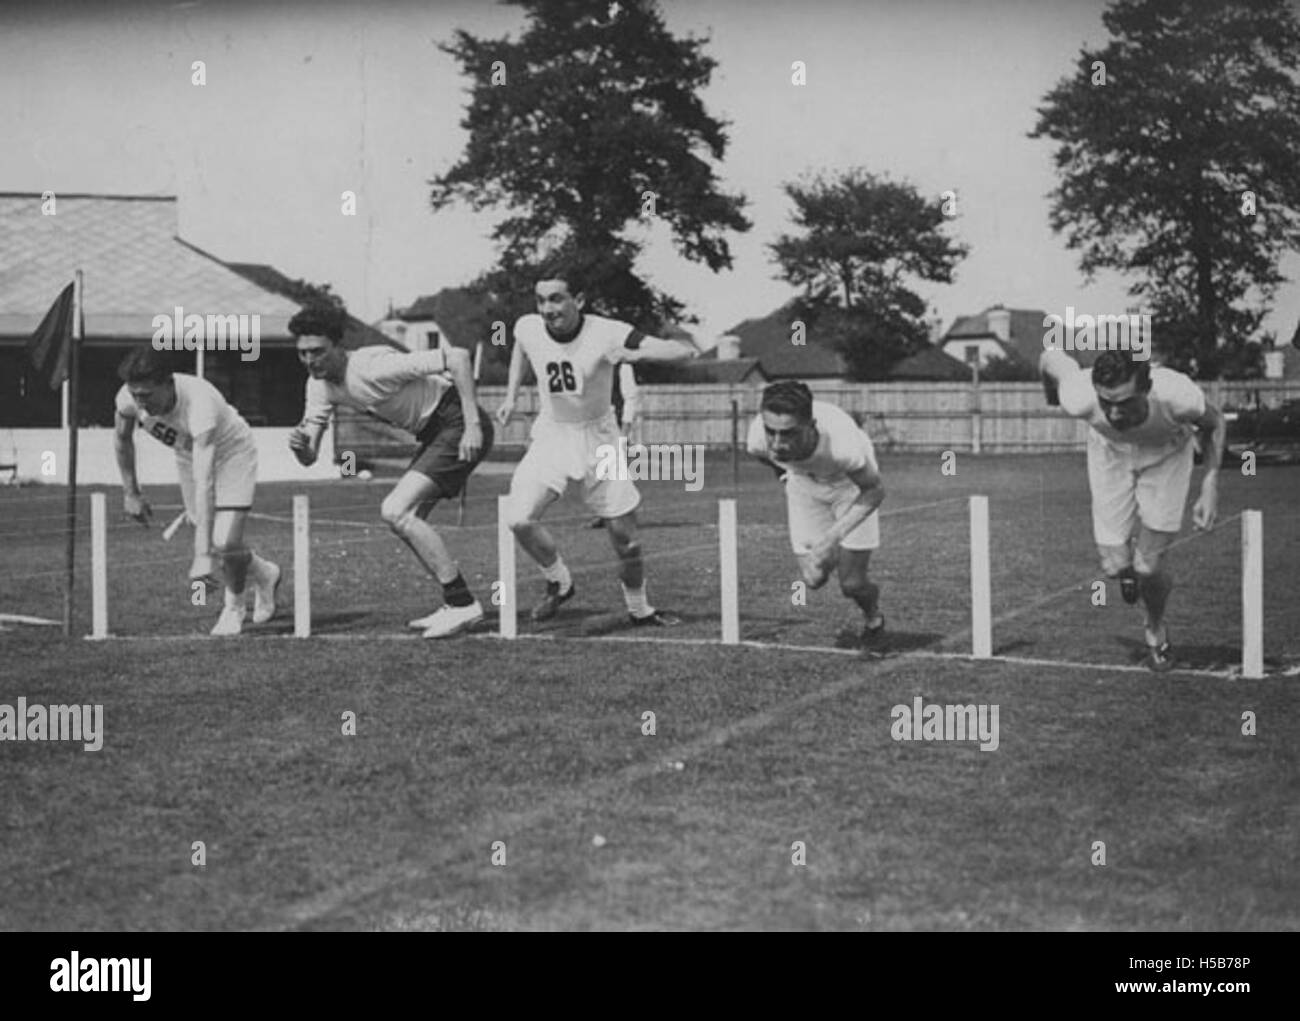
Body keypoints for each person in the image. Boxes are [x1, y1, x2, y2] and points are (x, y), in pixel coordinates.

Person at [496, 267, 700, 626]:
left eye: (557, 298)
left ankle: (640, 610)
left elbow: (684, 351)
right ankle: (560, 582)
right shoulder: (527, 325)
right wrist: (511, 394)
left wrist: (637, 355)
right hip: (554, 435)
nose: (547, 308)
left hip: (601, 440)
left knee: (627, 543)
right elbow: (521, 348)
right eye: (541, 300)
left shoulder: (608, 332)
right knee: (518, 517)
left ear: (579, 300)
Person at [287, 305, 493, 639]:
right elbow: (309, 457)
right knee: (406, 521)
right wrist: (299, 446)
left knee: (395, 511)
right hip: (432, 434)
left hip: (456, 421)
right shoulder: (318, 386)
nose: (311, 361)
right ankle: (455, 601)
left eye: (318, 352)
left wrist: (472, 426)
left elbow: (458, 357)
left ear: (338, 346)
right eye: (303, 354)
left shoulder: (371, 366)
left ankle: (462, 604)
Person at [1039, 347, 1224, 671]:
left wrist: (1209, 485)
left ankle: (1155, 626)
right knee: (1114, 565)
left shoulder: (1178, 395)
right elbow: (1050, 358)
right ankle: (1126, 571)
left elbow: (1216, 421)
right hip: (1110, 456)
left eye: (1124, 403)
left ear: (1146, 388)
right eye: (1106, 403)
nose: (1113, 413)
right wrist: (1050, 393)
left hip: (1166, 456)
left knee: (1149, 567)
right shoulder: (1079, 396)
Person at [112, 348, 280, 637]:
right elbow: (122, 439)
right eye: (136, 395)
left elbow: (205, 483)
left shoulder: (200, 401)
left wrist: (202, 556)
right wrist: (131, 493)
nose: (141, 403)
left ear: (168, 383)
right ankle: (265, 573)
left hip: (231, 453)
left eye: (147, 395)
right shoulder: (128, 399)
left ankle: (234, 607)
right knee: (219, 541)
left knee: (222, 541)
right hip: (188, 455)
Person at [746, 381, 887, 649]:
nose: (777, 443)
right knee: (812, 579)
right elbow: (768, 457)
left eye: (787, 434)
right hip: (804, 484)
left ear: (810, 426)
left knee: (853, 585)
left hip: (851, 487)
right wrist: (785, 475)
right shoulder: (757, 440)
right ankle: (834, 557)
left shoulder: (842, 447)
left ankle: (874, 618)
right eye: (771, 432)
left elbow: (875, 491)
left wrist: (830, 539)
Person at [589, 362, 639, 529]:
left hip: (616, 425)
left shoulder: (623, 367)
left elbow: (630, 399)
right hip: (598, 425)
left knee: (618, 472)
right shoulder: (596, 366)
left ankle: (626, 513)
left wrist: (624, 432)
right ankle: (605, 513)